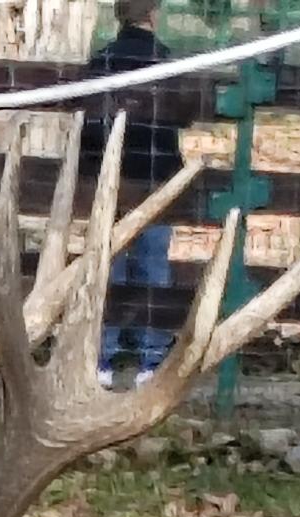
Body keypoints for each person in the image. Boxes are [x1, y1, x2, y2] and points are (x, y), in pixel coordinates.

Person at [79, 0, 187, 388]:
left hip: (112, 178)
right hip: (155, 177)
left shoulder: (103, 60)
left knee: (108, 264)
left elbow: (90, 122)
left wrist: (91, 168)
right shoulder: (167, 62)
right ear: (153, 16)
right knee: (153, 265)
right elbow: (181, 117)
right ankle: (151, 356)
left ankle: (102, 355)